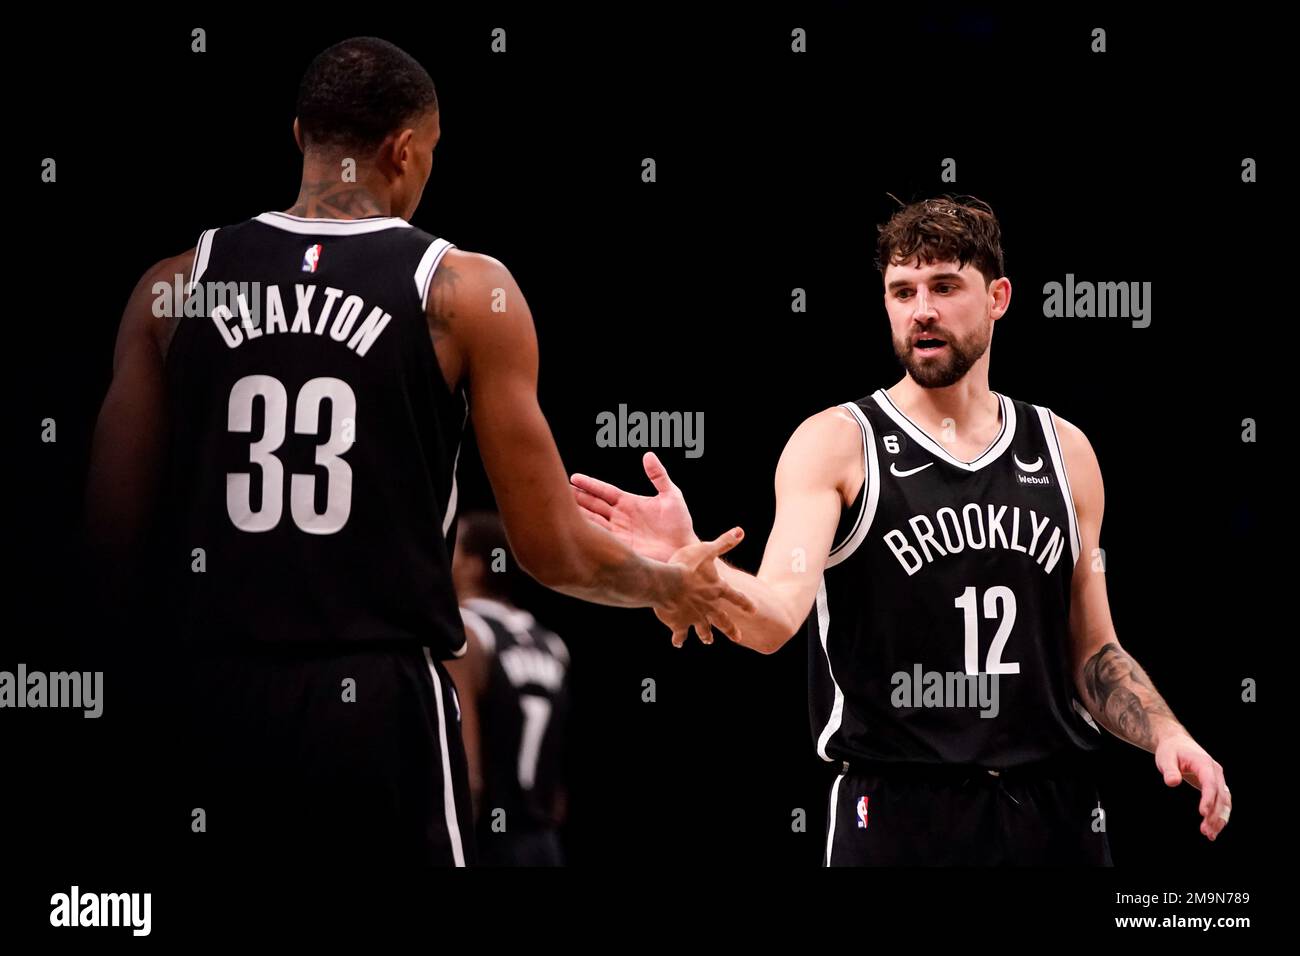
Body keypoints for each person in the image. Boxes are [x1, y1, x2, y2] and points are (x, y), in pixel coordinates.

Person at [572, 195, 1232, 865]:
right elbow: (775, 615)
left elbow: (1094, 651)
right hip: (898, 812)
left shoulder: (1065, 451)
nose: (922, 309)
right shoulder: (835, 443)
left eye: (945, 286)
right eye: (902, 290)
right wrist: (686, 570)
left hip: (1054, 811)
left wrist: (1168, 734)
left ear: (999, 296)